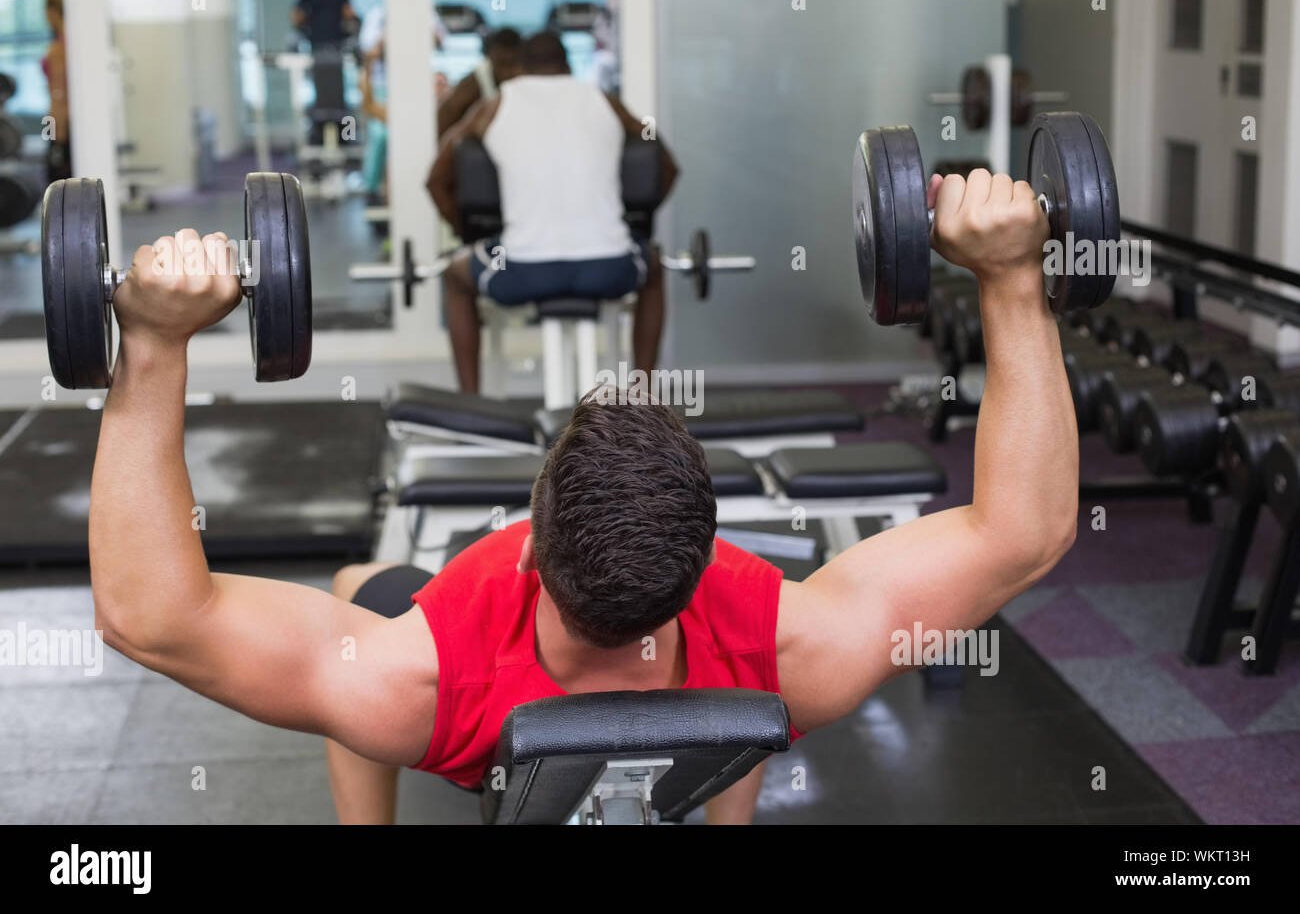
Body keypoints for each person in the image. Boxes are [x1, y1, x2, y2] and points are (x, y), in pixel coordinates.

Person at [86, 165, 1076, 825]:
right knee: (749, 698)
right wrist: (1012, 275)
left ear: (520, 542)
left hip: (449, 669)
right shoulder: (785, 640)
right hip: (723, 675)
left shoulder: (410, 680)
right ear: (713, 556)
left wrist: (156, 341)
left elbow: (153, 616)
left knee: (366, 603)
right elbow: (1020, 532)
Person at [427, 31, 677, 393]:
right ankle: (643, 397)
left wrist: (467, 235)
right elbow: (666, 163)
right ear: (568, 66)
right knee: (654, 268)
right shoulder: (603, 99)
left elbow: (435, 179)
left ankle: (471, 402)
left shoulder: (495, 104)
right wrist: (637, 221)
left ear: (520, 68)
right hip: (609, 268)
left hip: (522, 271)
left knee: (453, 275)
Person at [436, 27, 522, 136]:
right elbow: (443, 118)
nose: (506, 71)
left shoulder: (527, 81)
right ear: (490, 58)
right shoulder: (472, 85)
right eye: (501, 63)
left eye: (512, 63)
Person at [42, 0, 71, 182]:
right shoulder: (73, 40)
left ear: (53, 11)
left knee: (57, 183)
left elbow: (58, 94)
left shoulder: (59, 47)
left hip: (59, 123)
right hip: (68, 121)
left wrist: (55, 137)